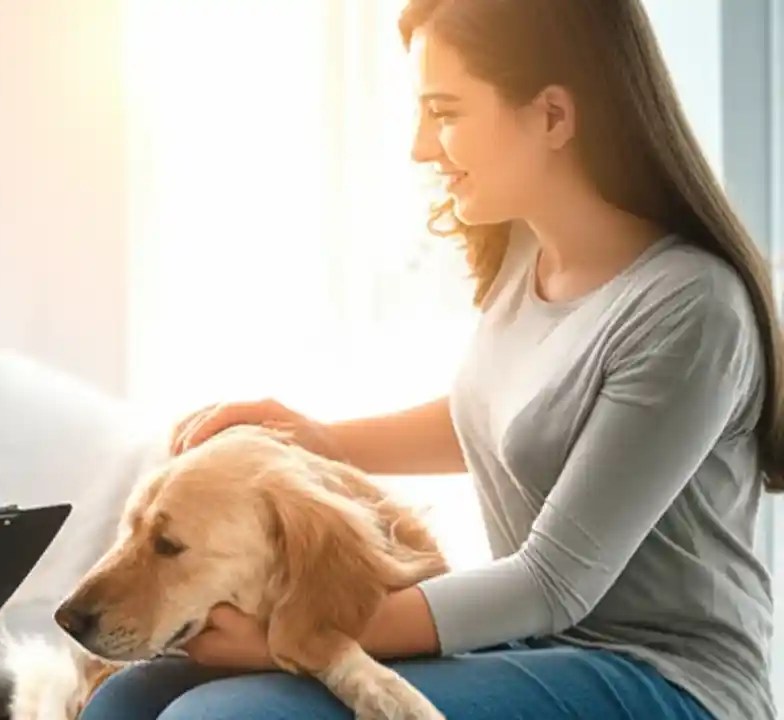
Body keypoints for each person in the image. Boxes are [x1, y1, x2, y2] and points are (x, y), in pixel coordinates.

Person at [79, 1, 780, 719]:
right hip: (536, 648)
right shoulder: (528, 255)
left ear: (552, 116)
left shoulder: (692, 308)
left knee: (222, 717)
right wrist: (322, 439)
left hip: (668, 679)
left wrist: (289, 640)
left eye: (444, 112)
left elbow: (550, 583)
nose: (420, 146)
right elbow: (512, 419)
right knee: (128, 700)